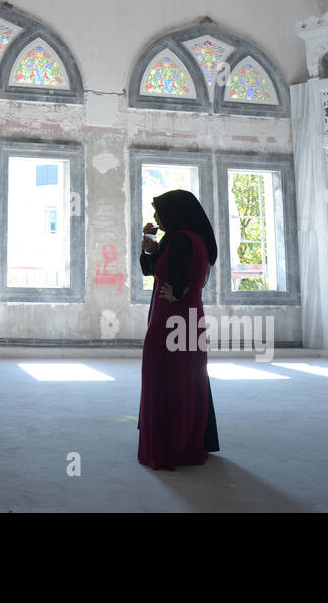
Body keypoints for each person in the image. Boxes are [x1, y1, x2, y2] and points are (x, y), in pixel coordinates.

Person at [137, 189, 220, 470]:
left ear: (173, 212)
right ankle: (182, 443)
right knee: (181, 380)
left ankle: (169, 447)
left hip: (172, 319)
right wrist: (150, 244)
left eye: (158, 211)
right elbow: (154, 270)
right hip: (180, 318)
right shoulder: (179, 238)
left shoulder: (184, 239)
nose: (155, 217)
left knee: (166, 379)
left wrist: (181, 294)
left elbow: (189, 277)